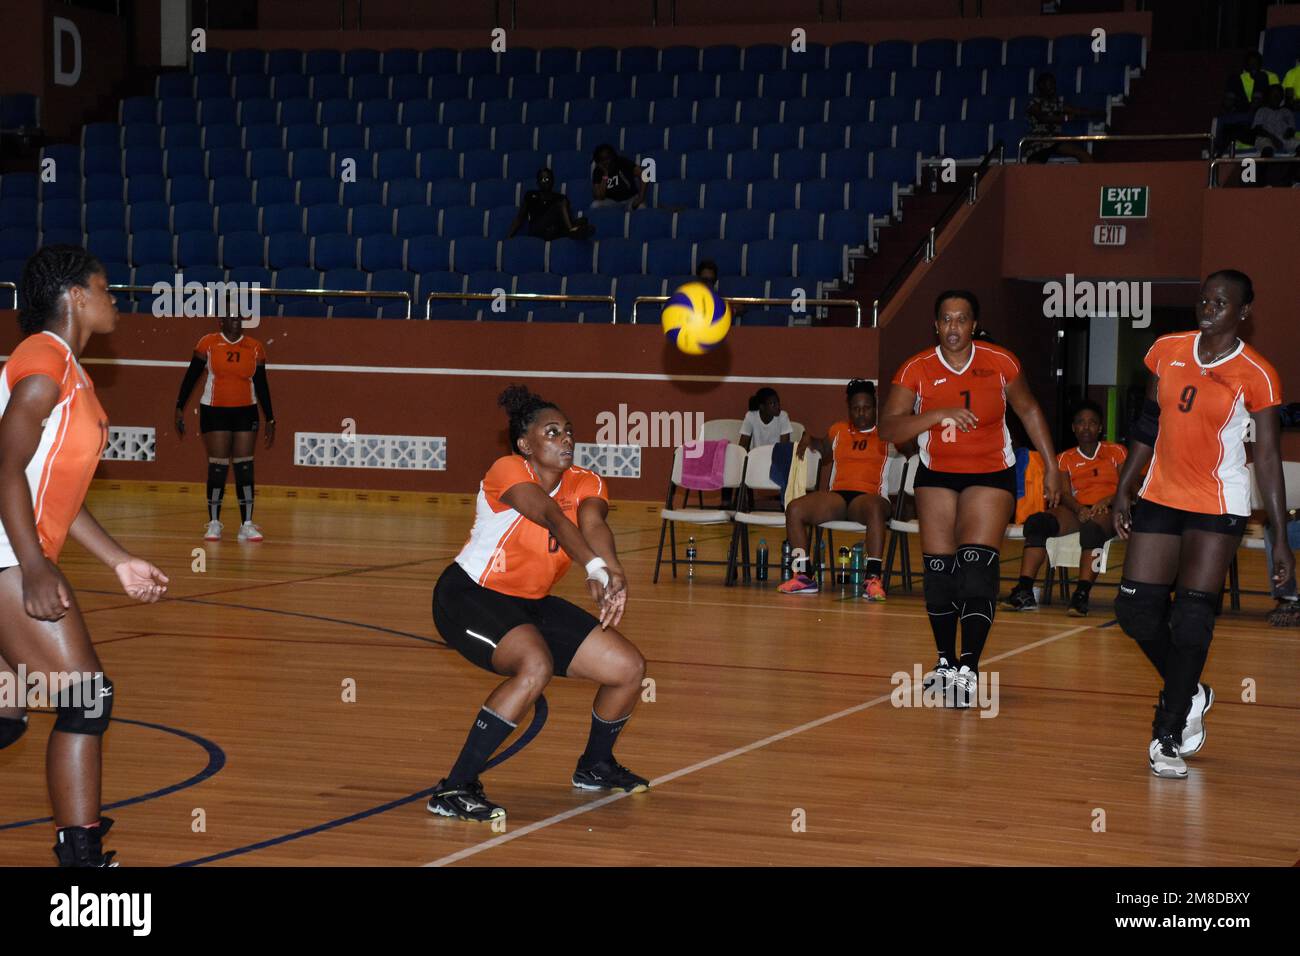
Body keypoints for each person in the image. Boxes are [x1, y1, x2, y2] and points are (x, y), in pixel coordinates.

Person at [0, 245, 169, 866]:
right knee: (85, 697)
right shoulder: (45, 360)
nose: (114, 298)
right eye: (105, 288)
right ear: (75, 295)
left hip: (15, 547)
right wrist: (36, 567)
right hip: (6, 554)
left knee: (8, 715)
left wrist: (117, 559)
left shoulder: (67, 367)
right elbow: (6, 468)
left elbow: (56, 490)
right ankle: (81, 858)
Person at [427, 385, 649, 821]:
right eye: (552, 432)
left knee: (628, 668)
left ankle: (594, 767)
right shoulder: (507, 470)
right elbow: (550, 515)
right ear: (526, 443)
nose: (566, 439)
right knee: (535, 665)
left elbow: (591, 522)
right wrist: (593, 569)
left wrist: (612, 567)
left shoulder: (586, 480)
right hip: (469, 595)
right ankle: (454, 788)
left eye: (569, 431)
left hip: (531, 603)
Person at [1112, 270, 1291, 779]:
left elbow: (1271, 460)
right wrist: (1125, 485)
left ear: (1243, 312)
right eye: (1204, 298)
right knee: (1135, 611)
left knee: (1191, 621)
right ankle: (1191, 690)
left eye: (1221, 301)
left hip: (1218, 503)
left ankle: (1167, 732)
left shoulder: (1257, 372)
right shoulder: (1166, 349)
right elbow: (1148, 423)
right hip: (1161, 494)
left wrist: (1279, 541)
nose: (1209, 306)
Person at [879, 290, 1061, 707]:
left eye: (962, 319)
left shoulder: (1000, 363)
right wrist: (935, 415)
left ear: (974, 324)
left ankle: (968, 667)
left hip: (990, 475)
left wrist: (1052, 467)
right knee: (940, 574)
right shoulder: (916, 368)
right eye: (946, 319)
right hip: (937, 476)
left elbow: (1030, 410)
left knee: (976, 571)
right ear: (936, 325)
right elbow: (888, 429)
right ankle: (944, 661)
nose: (954, 327)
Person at [1002, 400, 1126, 616]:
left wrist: (1107, 501)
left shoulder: (1116, 451)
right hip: (1077, 509)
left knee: (1093, 530)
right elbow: (1064, 494)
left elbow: (1129, 487)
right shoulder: (1064, 458)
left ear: (1100, 428)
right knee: (1037, 523)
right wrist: (1078, 509)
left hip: (1109, 509)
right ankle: (1024, 590)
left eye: (1092, 423)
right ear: (1073, 428)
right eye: (1080, 423)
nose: (1086, 427)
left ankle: (1081, 595)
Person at [778, 380, 892, 601]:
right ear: (849, 409)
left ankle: (873, 578)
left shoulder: (886, 434)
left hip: (870, 498)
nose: (861, 413)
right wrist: (810, 439)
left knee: (875, 508)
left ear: (875, 408)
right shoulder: (838, 430)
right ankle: (803, 575)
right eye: (856, 409)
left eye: (866, 408)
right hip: (838, 497)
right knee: (794, 509)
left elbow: (910, 449)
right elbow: (823, 448)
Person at [174, 312, 275, 542]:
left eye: (240, 319)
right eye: (232, 318)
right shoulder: (207, 343)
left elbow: (262, 384)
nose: (237, 322)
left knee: (244, 466)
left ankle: (247, 524)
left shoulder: (255, 347)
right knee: (218, 466)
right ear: (221, 322)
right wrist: (179, 407)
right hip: (214, 411)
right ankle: (214, 522)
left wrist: (270, 417)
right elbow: (191, 376)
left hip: (246, 411)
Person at [1023, 72, 1107, 163]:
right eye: (1049, 84)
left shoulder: (1057, 103)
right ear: (1041, 86)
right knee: (1034, 167)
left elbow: (1077, 111)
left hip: (1054, 140)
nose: (1053, 87)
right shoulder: (1034, 103)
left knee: (1082, 154)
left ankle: (1093, 176)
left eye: (1053, 84)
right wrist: (1065, 118)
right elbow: (1042, 118)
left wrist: (1097, 113)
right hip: (1037, 142)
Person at [507, 167, 593, 241]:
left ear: (553, 181)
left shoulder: (559, 197)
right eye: (543, 179)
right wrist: (509, 237)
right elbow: (519, 219)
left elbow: (566, 220)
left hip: (553, 231)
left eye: (548, 179)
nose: (545, 182)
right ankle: (572, 232)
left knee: (583, 220)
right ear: (537, 182)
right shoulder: (531, 195)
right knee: (560, 206)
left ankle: (576, 231)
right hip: (537, 230)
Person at [591, 143, 646, 211]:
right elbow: (600, 197)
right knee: (595, 205)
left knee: (641, 207)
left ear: (612, 157)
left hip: (630, 199)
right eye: (602, 159)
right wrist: (605, 175)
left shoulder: (621, 162)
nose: (606, 162)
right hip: (612, 202)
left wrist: (641, 197)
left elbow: (643, 174)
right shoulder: (598, 171)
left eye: (607, 158)